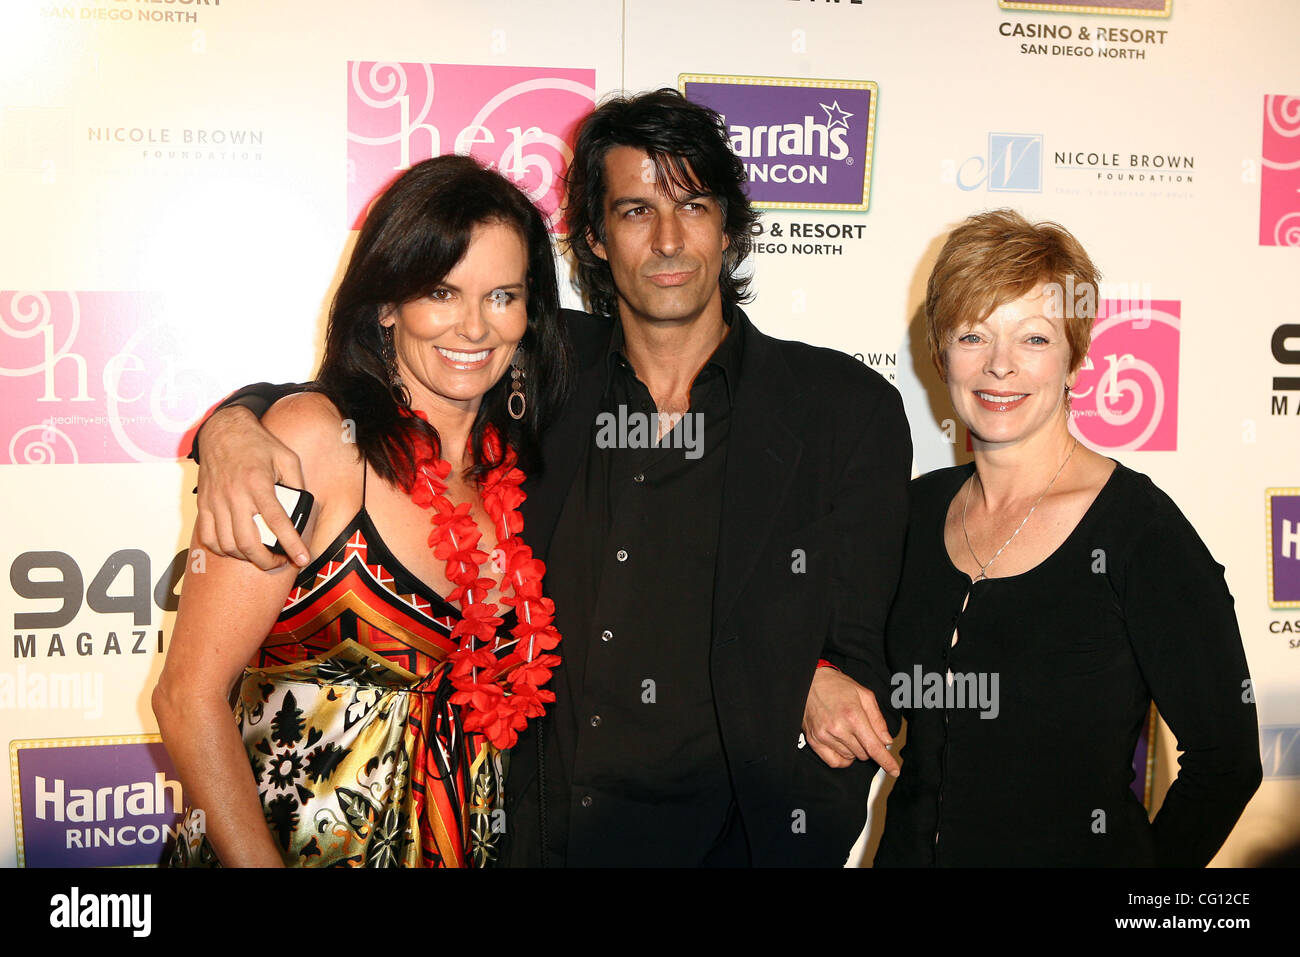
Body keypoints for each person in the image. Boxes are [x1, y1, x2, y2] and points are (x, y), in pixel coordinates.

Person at [189, 89, 912, 867]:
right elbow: (362, 384)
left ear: (729, 226)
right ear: (595, 238)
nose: (668, 240)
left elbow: (857, 664)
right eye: (636, 211)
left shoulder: (843, 410)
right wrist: (230, 427)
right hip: (524, 842)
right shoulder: (543, 373)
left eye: (694, 205)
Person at [153, 155, 572, 867]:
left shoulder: (528, 465)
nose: (474, 326)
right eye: (441, 290)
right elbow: (187, 699)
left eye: (502, 295)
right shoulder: (310, 442)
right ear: (386, 304)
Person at [873, 209, 1261, 867]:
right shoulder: (909, 513)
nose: (1000, 366)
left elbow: (1226, 762)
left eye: (1033, 338)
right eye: (973, 335)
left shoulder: (1141, 532)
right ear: (940, 353)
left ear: (1076, 356)